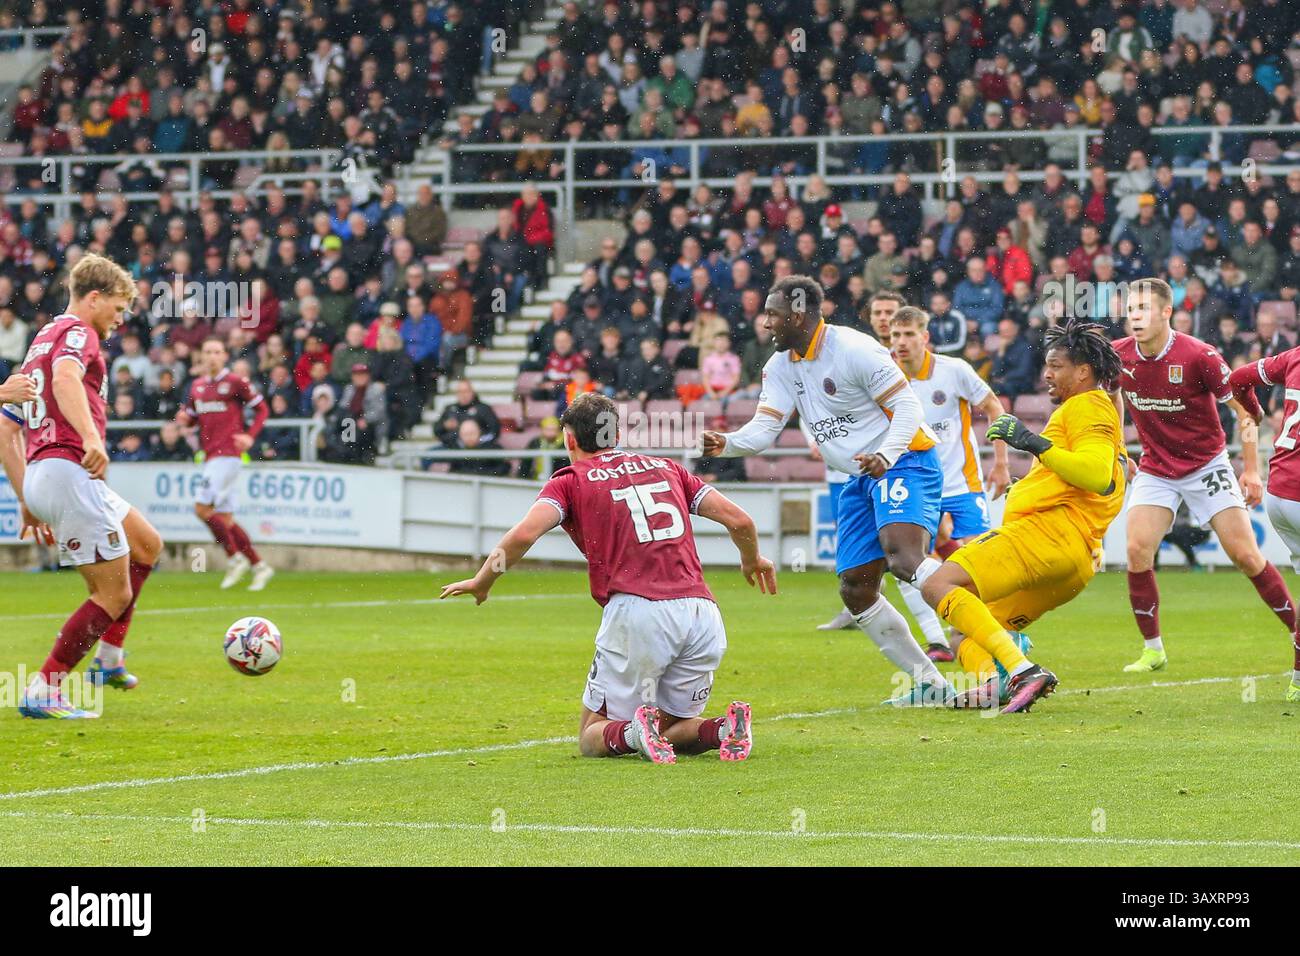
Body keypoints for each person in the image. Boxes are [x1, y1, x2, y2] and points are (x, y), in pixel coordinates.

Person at [441, 392, 772, 763]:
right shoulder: (667, 468)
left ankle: (633, 732)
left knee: (590, 736)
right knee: (672, 725)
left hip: (640, 612)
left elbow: (522, 535)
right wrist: (751, 559)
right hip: (702, 614)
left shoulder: (570, 480)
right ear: (614, 434)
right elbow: (741, 521)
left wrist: (483, 580)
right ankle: (725, 729)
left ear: (569, 437)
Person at [701, 276, 955, 707]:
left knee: (905, 559)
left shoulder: (854, 349)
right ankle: (931, 684)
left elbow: (909, 406)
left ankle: (990, 620)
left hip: (904, 458)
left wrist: (886, 455)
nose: (766, 324)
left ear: (798, 315)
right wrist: (728, 443)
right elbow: (765, 427)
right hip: (859, 476)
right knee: (856, 588)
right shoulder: (780, 365)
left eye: (773, 314)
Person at [920, 321, 1128, 713]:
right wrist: (1030, 484)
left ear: (1083, 371)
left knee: (937, 583)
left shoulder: (1086, 405)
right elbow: (1087, 476)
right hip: (1074, 561)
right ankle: (991, 684)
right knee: (964, 630)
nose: (1046, 374)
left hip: (1046, 537)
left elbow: (1098, 476)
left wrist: (1029, 440)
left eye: (1056, 366)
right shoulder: (1101, 415)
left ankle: (1022, 670)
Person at [0, 254, 164, 719]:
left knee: (147, 545)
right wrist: (91, 437)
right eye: (118, 306)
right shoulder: (78, 333)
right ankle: (43, 688)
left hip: (44, 474)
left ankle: (108, 661)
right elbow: (66, 377)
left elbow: (5, 429)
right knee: (112, 594)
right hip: (68, 470)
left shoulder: (40, 341)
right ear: (94, 298)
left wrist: (25, 497)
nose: (120, 316)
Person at [1115, 278, 1295, 673]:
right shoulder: (1119, 356)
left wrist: (1249, 469)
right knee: (1136, 551)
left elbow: (1245, 413)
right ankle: (1153, 650)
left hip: (1207, 466)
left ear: (1166, 312)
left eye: (1143, 309)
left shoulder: (1200, 355)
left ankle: (1297, 632)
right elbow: (1110, 396)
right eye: (1130, 310)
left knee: (1247, 557)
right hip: (1156, 468)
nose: (1135, 317)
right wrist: (1115, 446)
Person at [889, 307, 1012, 662]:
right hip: (919, 486)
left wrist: (1001, 463)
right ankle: (946, 636)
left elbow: (994, 407)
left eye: (909, 334)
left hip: (963, 484)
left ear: (925, 337)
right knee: (911, 557)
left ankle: (994, 629)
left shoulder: (953, 370)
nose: (901, 342)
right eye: (896, 335)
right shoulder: (886, 378)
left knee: (981, 563)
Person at [1227, 345, 1300, 700]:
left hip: (1279, 494)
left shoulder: (1294, 356)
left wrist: (1253, 412)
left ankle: (1298, 684)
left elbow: (1237, 380)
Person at [176, 337, 273, 592]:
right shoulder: (196, 386)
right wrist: (184, 420)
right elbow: (192, 419)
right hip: (210, 455)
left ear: (224, 356)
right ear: (201, 356)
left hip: (228, 455)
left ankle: (234, 558)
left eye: (217, 351)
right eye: (207, 351)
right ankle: (259, 566)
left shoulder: (235, 382)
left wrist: (250, 435)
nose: (212, 356)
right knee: (226, 519)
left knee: (201, 508)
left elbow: (262, 409)